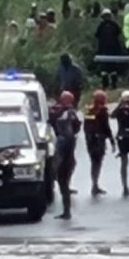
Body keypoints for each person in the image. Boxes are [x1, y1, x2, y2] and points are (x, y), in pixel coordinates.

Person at [50, 91, 81, 220]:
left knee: (63, 184)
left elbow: (53, 119)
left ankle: (67, 211)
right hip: (68, 157)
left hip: (65, 159)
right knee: (64, 185)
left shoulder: (64, 134)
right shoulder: (69, 114)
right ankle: (66, 211)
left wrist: (56, 167)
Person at [83, 90, 115, 198]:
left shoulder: (89, 111)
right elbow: (106, 127)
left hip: (91, 141)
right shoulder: (103, 112)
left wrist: (88, 138)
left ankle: (95, 184)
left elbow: (86, 127)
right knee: (97, 163)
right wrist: (112, 140)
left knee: (94, 163)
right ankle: (95, 185)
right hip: (99, 140)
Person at [95, 8, 124, 90]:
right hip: (113, 50)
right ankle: (114, 84)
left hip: (104, 50)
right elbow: (119, 33)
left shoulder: (101, 26)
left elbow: (97, 36)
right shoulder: (114, 24)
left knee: (104, 68)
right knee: (113, 67)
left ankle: (105, 85)